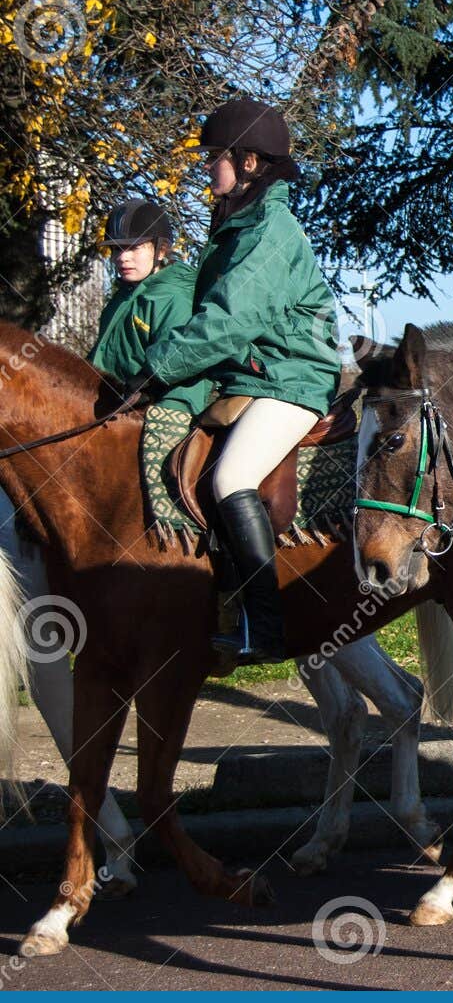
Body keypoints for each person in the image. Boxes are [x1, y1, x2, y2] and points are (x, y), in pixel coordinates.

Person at [144, 98, 341, 663]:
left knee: (232, 477)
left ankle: (266, 630)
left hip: (294, 378)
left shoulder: (271, 231)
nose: (208, 167)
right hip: (254, 378)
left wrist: (157, 367)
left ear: (248, 162)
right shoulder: (238, 227)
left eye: (216, 157)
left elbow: (229, 321)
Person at [89, 200, 209, 418]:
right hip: (116, 402)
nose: (122, 257)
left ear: (161, 251)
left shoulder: (175, 298)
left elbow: (177, 366)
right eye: (116, 248)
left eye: (134, 247)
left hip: (165, 406)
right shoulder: (122, 297)